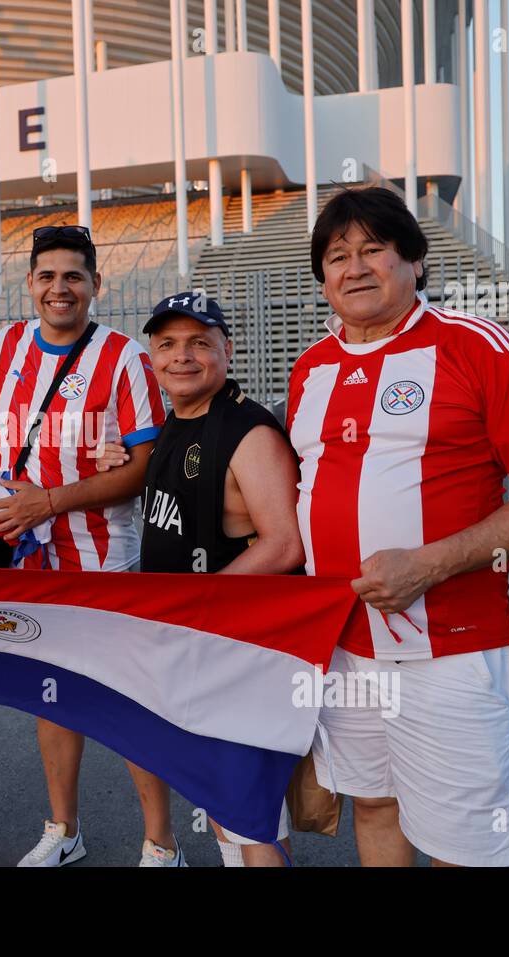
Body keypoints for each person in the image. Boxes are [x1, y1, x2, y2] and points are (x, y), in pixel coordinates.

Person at [289, 186, 509, 867]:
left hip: (449, 648)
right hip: (342, 647)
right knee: (374, 805)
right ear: (323, 279)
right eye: (338, 256)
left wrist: (428, 564)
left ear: (415, 261)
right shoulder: (310, 369)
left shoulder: (471, 344)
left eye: (373, 250)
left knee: (464, 846)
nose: (355, 267)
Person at [0, 224, 167, 866]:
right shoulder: (4, 346)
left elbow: (144, 467)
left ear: (95, 286)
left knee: (128, 693)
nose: (60, 288)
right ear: (30, 284)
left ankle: (162, 844)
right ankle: (64, 830)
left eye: (74, 276)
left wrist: (50, 499)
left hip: (102, 553)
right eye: (48, 276)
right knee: (50, 689)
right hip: (26, 551)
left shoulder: (125, 358)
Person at [139, 291, 305, 867]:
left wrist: (201, 606)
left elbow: (285, 544)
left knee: (244, 806)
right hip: (195, 642)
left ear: (226, 351)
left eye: (199, 343)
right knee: (228, 803)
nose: (182, 357)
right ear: (152, 356)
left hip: (238, 645)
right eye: (168, 344)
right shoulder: (176, 420)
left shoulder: (248, 432)